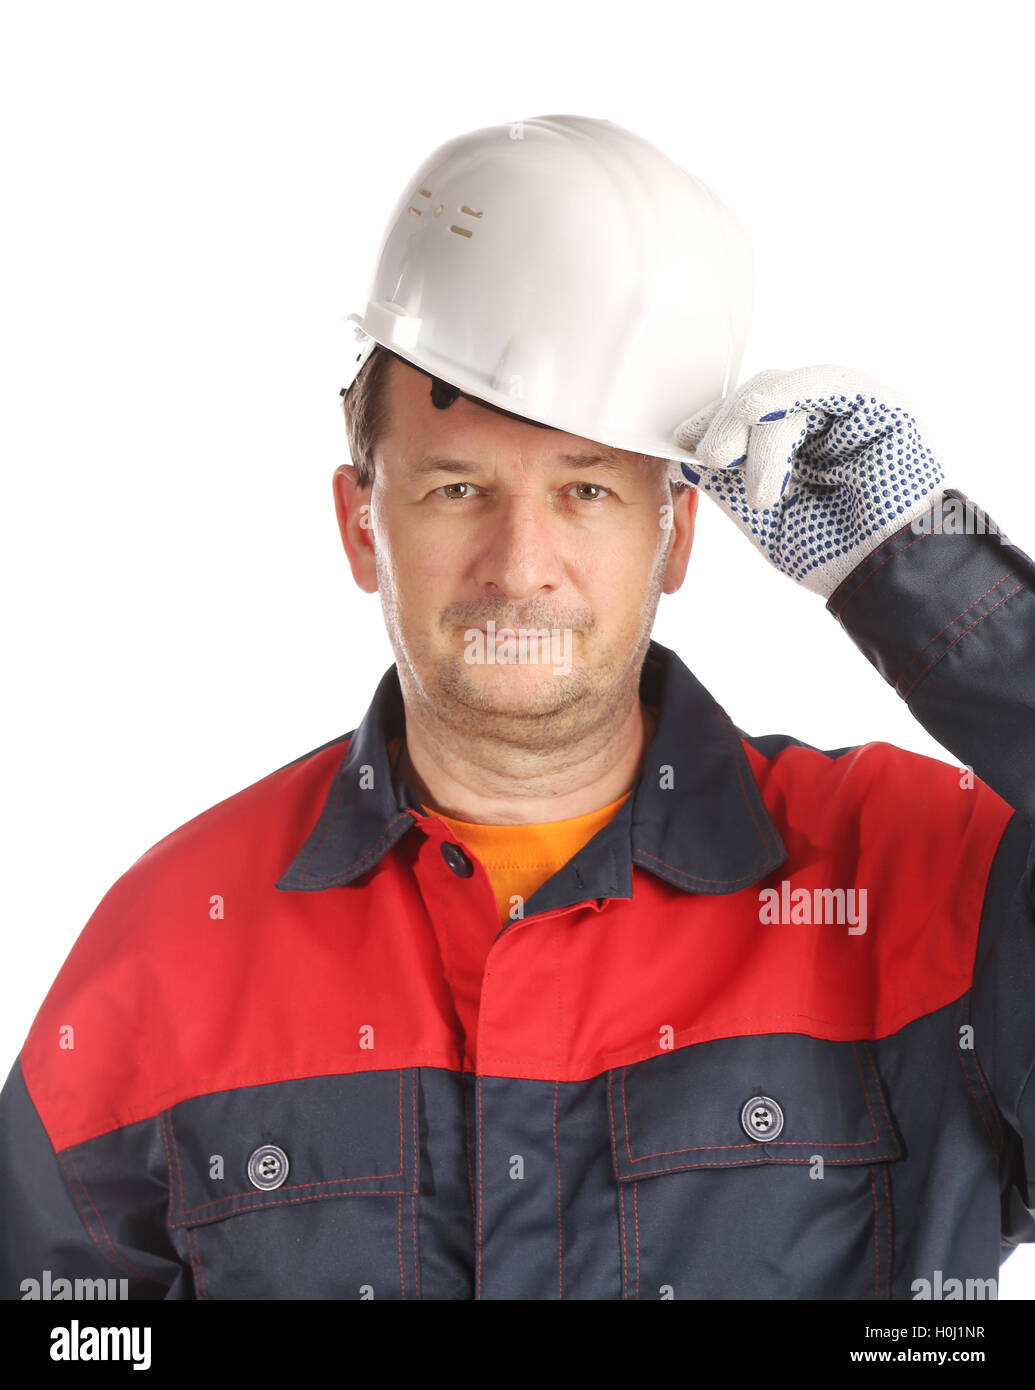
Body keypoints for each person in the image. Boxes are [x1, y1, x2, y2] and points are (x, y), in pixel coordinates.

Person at [1, 114, 1032, 1302]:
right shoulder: (171, 944)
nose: (519, 562)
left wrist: (925, 570)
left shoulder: (924, 882)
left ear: (677, 534)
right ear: (360, 525)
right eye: (456, 487)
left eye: (587, 489)